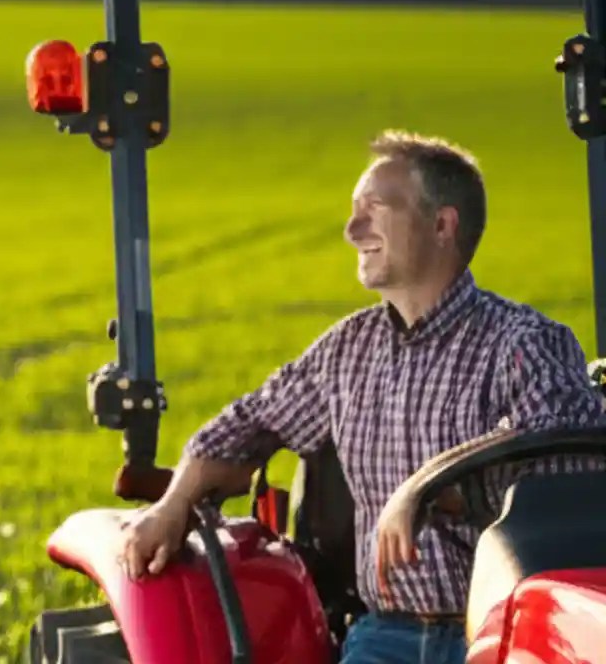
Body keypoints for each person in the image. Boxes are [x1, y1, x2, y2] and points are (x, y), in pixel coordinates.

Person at [117, 130, 604, 663]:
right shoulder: (347, 349)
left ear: (442, 225)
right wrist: (172, 506)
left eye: (375, 209)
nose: (352, 230)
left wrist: (426, 487)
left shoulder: (525, 343)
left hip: (501, 634)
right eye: (354, 212)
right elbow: (246, 425)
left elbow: (565, 470)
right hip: (386, 636)